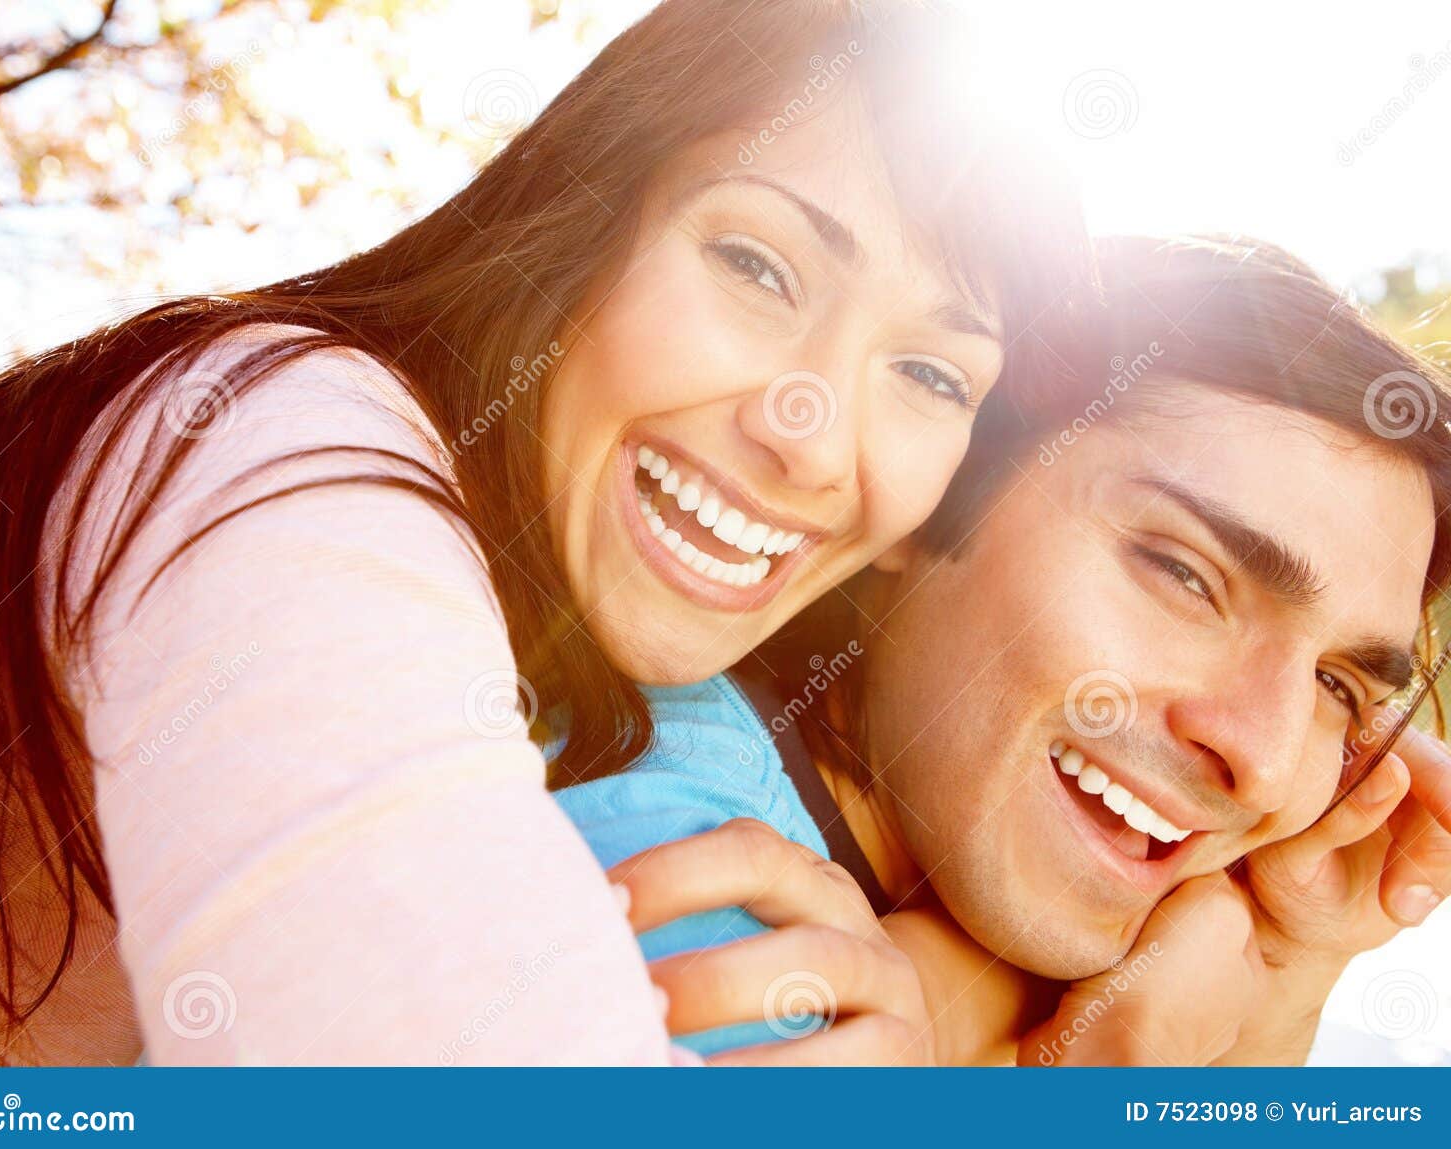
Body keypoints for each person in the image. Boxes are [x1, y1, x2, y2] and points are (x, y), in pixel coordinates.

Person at [0, 1, 1090, 1064]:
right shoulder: (289, 441)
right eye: (755, 266)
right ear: (576, 221)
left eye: (930, 375)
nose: (814, 439)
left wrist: (980, 984)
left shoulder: (622, 697)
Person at [557, 235, 1451, 1063]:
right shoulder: (697, 901)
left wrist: (1289, 969)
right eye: (1185, 575)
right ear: (939, 489)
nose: (1263, 763)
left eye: (1337, 685)